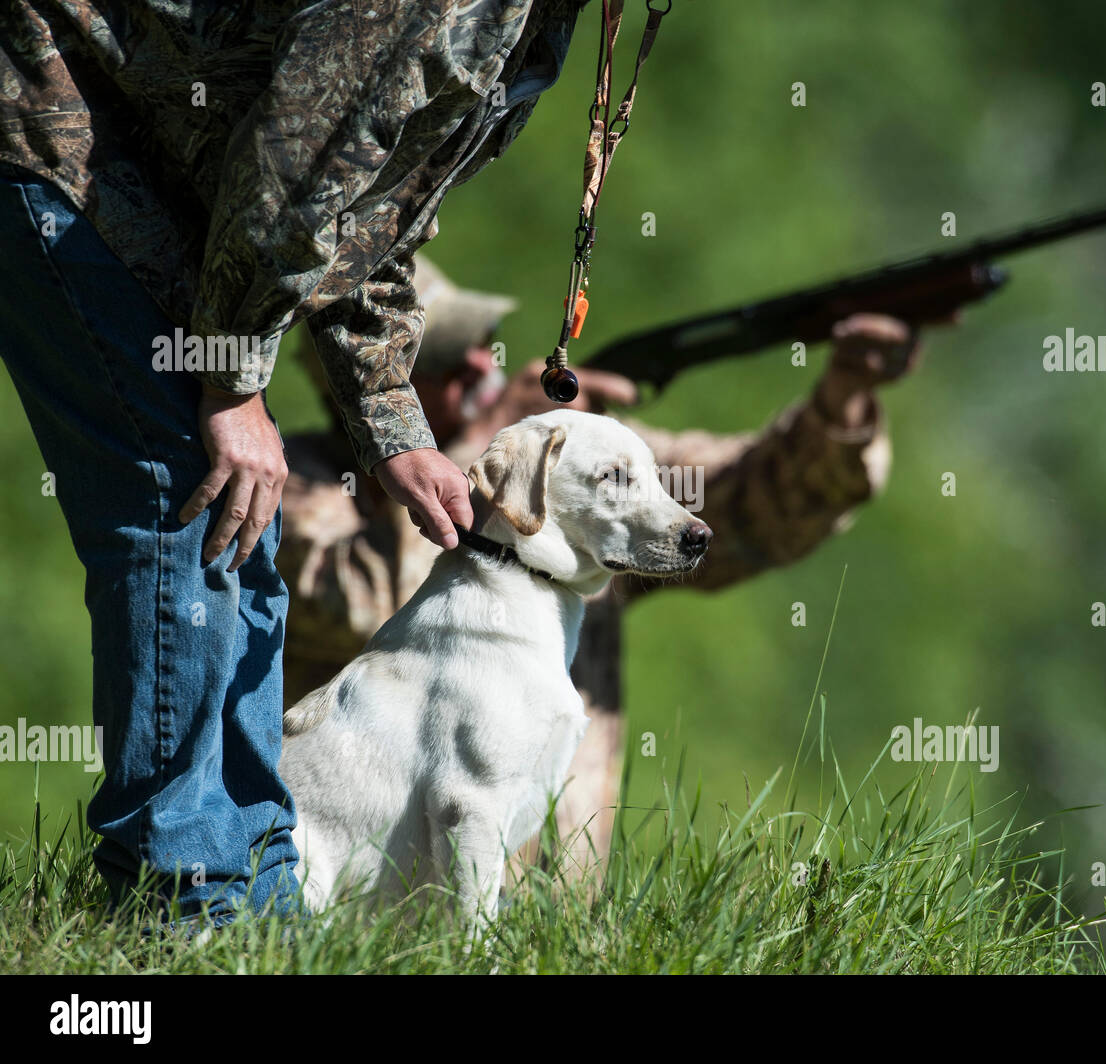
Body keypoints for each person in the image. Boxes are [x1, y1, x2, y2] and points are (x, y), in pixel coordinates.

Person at [0, 0, 587, 926]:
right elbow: (293, 166)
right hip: (50, 118)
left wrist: (393, 420)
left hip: (170, 172)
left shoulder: (540, 20)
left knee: (235, 517)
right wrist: (232, 385)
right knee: (190, 499)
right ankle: (187, 909)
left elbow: (368, 209)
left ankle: (258, 897)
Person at [279, 257, 922, 871]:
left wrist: (841, 401)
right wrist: (502, 458)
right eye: (443, 356)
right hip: (378, 903)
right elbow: (379, 606)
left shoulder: (585, 465)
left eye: (487, 340)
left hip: (557, 904)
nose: (484, 364)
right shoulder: (295, 487)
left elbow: (755, 509)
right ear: (359, 378)